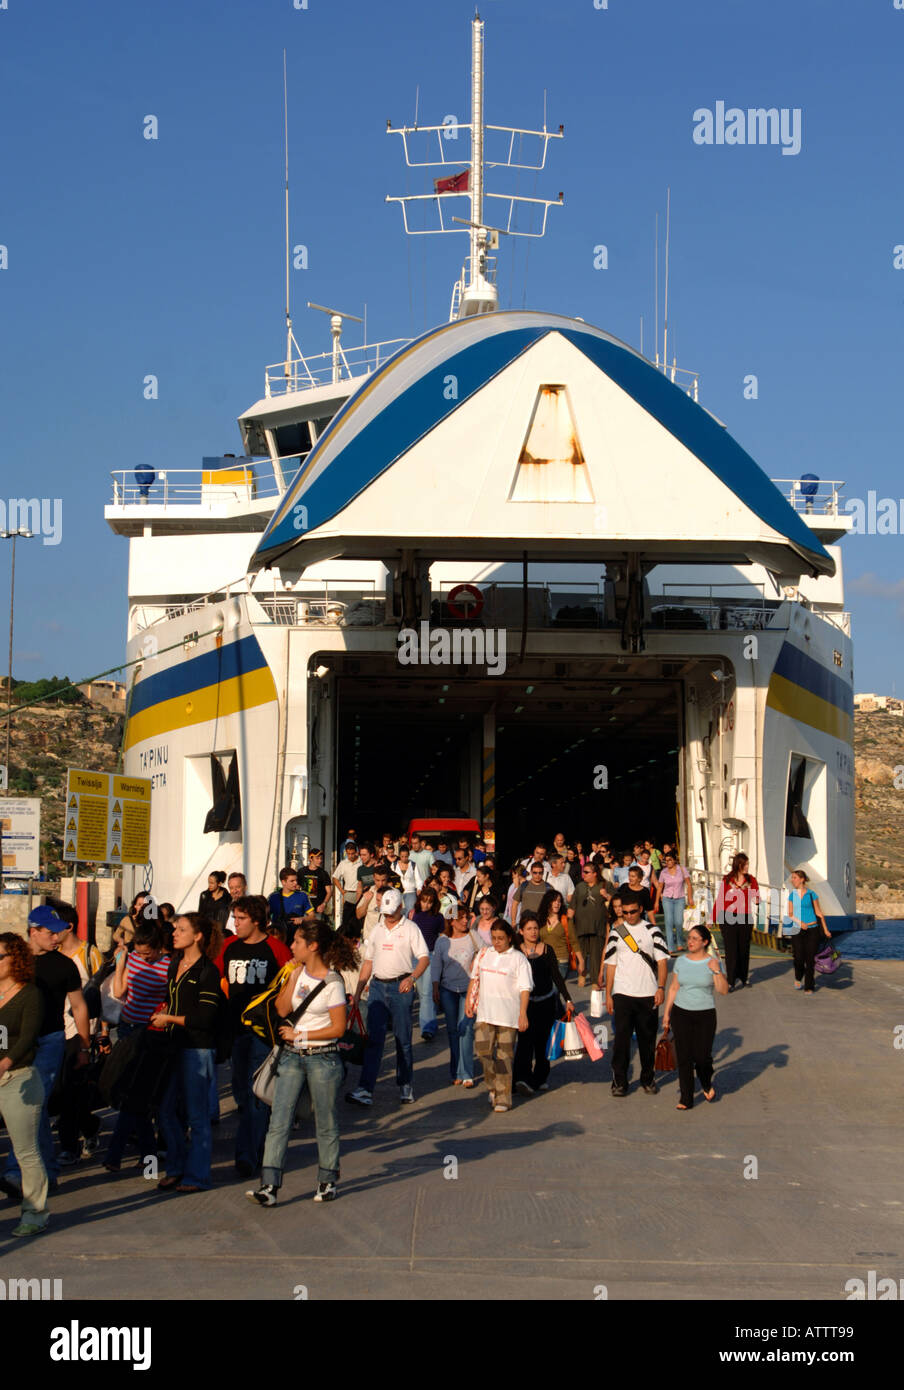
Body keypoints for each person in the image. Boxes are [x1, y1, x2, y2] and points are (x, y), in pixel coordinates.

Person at [248, 917, 356, 1207]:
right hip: (291, 1058)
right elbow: (282, 1008)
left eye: (297, 942)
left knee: (325, 1121)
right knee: (279, 1121)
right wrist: (292, 978)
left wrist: (301, 1034)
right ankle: (269, 1185)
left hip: (323, 1059)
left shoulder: (333, 982)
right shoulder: (297, 974)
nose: (291, 946)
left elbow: (338, 1028)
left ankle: (327, 1179)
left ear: (313, 945)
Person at [216, 897, 292, 1179]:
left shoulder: (276, 948)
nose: (235, 924)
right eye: (234, 918)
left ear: (257, 920)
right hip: (236, 1031)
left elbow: (292, 981)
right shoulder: (228, 947)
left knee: (256, 1093)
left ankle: (247, 1155)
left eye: (240, 919)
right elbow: (215, 978)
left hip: (264, 1033)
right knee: (243, 1094)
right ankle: (259, 1144)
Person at [154, 913, 223, 1192]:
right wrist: (164, 1013)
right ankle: (177, 1166)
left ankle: (197, 1176)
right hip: (173, 1046)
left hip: (198, 1049)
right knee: (166, 1111)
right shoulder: (175, 964)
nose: (174, 933)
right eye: (174, 929)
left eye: (181, 929)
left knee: (197, 1116)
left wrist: (168, 1019)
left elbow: (204, 1018)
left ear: (197, 936)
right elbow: (173, 1002)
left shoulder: (208, 970)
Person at [347, 890, 429, 1106]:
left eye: (392, 913)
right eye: (386, 913)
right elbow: (368, 962)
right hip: (377, 988)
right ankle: (365, 1089)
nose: (388, 916)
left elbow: (423, 958)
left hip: (400, 988)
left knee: (403, 1038)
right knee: (374, 1040)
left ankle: (405, 1084)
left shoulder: (411, 929)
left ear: (401, 908)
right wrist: (358, 991)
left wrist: (412, 978)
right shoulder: (377, 929)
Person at [104, 921, 170, 1173]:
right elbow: (120, 991)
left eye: (147, 953)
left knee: (134, 1095)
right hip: (126, 1026)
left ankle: (115, 1155)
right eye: (139, 952)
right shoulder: (132, 959)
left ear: (158, 947)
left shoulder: (167, 965)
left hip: (148, 1033)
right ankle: (147, 1152)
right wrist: (122, 963)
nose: (143, 956)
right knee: (133, 1095)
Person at [52, 899, 109, 1167]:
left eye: (55, 928)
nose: (51, 935)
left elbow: (102, 993)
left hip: (81, 1033)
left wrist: (102, 1032)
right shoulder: (50, 954)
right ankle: (90, 1124)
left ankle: (68, 1147)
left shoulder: (90, 954)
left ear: (69, 927)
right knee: (63, 1090)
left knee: (72, 1089)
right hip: (53, 1031)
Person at [0, 933, 49, 1236]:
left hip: (18, 1079)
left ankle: (35, 1214)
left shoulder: (29, 994)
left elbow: (28, 1038)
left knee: (25, 1152)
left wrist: (4, 1062)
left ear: (14, 960)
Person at [603, 900, 669, 1097]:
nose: (629, 916)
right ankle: (619, 1082)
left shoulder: (653, 931)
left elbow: (662, 961)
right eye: (624, 913)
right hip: (622, 993)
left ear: (640, 909)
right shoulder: (617, 932)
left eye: (633, 911)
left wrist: (661, 987)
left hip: (648, 993)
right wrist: (608, 993)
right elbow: (611, 965)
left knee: (647, 1041)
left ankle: (648, 1079)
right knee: (621, 1042)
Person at [466, 920, 532, 1112]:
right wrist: (469, 1002)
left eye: (501, 938)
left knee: (504, 1058)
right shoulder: (485, 954)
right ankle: (493, 1085)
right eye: (494, 938)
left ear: (509, 938)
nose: (497, 942)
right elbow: (474, 978)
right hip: (485, 1014)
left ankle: (503, 1098)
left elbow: (525, 989)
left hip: (508, 1017)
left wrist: (523, 1015)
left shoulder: (518, 959)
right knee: (483, 1052)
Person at [662, 925, 729, 1109]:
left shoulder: (712, 962)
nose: (690, 942)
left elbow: (723, 991)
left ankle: (706, 1081)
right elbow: (674, 987)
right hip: (681, 1012)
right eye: (689, 938)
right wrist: (667, 1014)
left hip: (705, 1014)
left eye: (694, 939)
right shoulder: (681, 961)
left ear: (705, 942)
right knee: (684, 1057)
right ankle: (686, 1097)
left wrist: (716, 971)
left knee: (702, 1057)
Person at [514, 911, 572, 1096]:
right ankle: (521, 1079)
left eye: (535, 928)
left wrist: (568, 999)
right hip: (525, 1005)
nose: (533, 932)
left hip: (546, 1003)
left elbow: (556, 976)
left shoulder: (547, 949)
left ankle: (540, 1078)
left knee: (542, 1043)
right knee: (524, 1042)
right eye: (529, 929)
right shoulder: (516, 952)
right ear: (521, 931)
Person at [431, 906, 478, 1087]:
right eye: (461, 918)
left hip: (468, 990)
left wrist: (477, 960)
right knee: (452, 1031)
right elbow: (436, 966)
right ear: (451, 921)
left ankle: (467, 1072)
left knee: (465, 1029)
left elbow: (486, 953)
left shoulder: (473, 937)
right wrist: (435, 987)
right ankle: (455, 1070)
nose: (465, 921)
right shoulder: (442, 942)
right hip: (448, 989)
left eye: (466, 917)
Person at [713, 853, 759, 991]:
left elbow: (756, 896)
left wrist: (756, 897)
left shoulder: (751, 879)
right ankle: (731, 980)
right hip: (728, 917)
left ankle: (743, 977)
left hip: (744, 917)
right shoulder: (727, 880)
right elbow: (720, 899)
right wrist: (713, 918)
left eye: (747, 864)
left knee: (744, 949)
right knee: (731, 950)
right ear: (738, 864)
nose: (747, 867)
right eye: (745, 864)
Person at [784, 870, 832, 994]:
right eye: (792, 878)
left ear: (802, 879)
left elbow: (819, 913)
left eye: (794, 878)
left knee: (810, 959)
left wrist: (826, 930)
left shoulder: (812, 894)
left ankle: (809, 986)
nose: (792, 880)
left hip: (813, 930)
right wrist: (800, 923)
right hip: (797, 930)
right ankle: (798, 976)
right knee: (799, 958)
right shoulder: (792, 895)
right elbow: (790, 914)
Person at [408, 887, 445, 1043]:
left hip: (430, 956)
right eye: (424, 901)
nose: (426, 905)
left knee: (426, 993)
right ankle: (431, 1022)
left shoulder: (438, 917)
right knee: (421, 992)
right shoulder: (413, 914)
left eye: (430, 902)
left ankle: (427, 1027)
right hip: (415, 957)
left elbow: (442, 936)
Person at [569, 861, 608, 986]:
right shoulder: (580, 886)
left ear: (595, 873)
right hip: (581, 925)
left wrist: (606, 895)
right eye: (583, 871)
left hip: (598, 926)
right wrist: (568, 923)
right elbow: (572, 906)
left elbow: (616, 902)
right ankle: (582, 975)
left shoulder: (604, 885)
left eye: (586, 872)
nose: (583, 874)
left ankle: (595, 980)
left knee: (596, 954)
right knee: (581, 952)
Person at [654, 851, 693, 955]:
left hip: (679, 898)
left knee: (679, 922)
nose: (668, 862)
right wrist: (657, 901)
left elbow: (689, 884)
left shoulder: (682, 869)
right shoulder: (664, 872)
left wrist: (690, 898)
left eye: (670, 860)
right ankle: (670, 946)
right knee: (669, 922)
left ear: (674, 860)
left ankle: (680, 942)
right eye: (666, 861)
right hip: (667, 899)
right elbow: (660, 887)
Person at [536, 888, 575, 982]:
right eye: (554, 901)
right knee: (548, 990)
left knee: (555, 988)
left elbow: (574, 941)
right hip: (545, 960)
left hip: (562, 960)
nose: (557, 903)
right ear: (548, 902)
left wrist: (581, 961)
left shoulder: (565, 920)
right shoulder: (540, 920)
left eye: (559, 901)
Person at [267, 867, 312, 943]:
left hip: (296, 938)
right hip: (279, 938)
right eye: (292, 881)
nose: (295, 883)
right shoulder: (273, 897)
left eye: (296, 880)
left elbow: (312, 916)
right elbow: (265, 917)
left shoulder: (302, 896)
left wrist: (302, 919)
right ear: (283, 882)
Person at [333, 841, 361, 935]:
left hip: (360, 894)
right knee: (346, 920)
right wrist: (341, 890)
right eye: (348, 854)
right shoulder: (343, 863)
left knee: (358, 920)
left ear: (356, 852)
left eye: (352, 853)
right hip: (348, 893)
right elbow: (335, 877)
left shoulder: (361, 862)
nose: (351, 856)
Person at [512, 860, 550, 925]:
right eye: (535, 873)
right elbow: (515, 904)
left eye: (540, 873)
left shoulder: (548, 888)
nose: (537, 875)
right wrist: (513, 921)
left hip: (542, 923)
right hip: (525, 923)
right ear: (531, 872)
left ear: (543, 873)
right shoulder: (524, 886)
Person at [300, 850, 332, 915]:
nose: (320, 860)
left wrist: (323, 904)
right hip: (304, 908)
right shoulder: (302, 871)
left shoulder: (323, 873)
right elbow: (296, 888)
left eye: (321, 858)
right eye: (317, 858)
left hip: (318, 909)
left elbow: (329, 892)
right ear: (310, 858)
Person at [393, 846, 419, 913]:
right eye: (402, 856)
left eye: (406, 856)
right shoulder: (394, 865)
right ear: (399, 855)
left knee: (410, 912)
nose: (404, 858)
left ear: (409, 855)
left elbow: (418, 878)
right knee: (398, 912)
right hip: (397, 892)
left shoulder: (413, 864)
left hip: (410, 892)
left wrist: (419, 888)